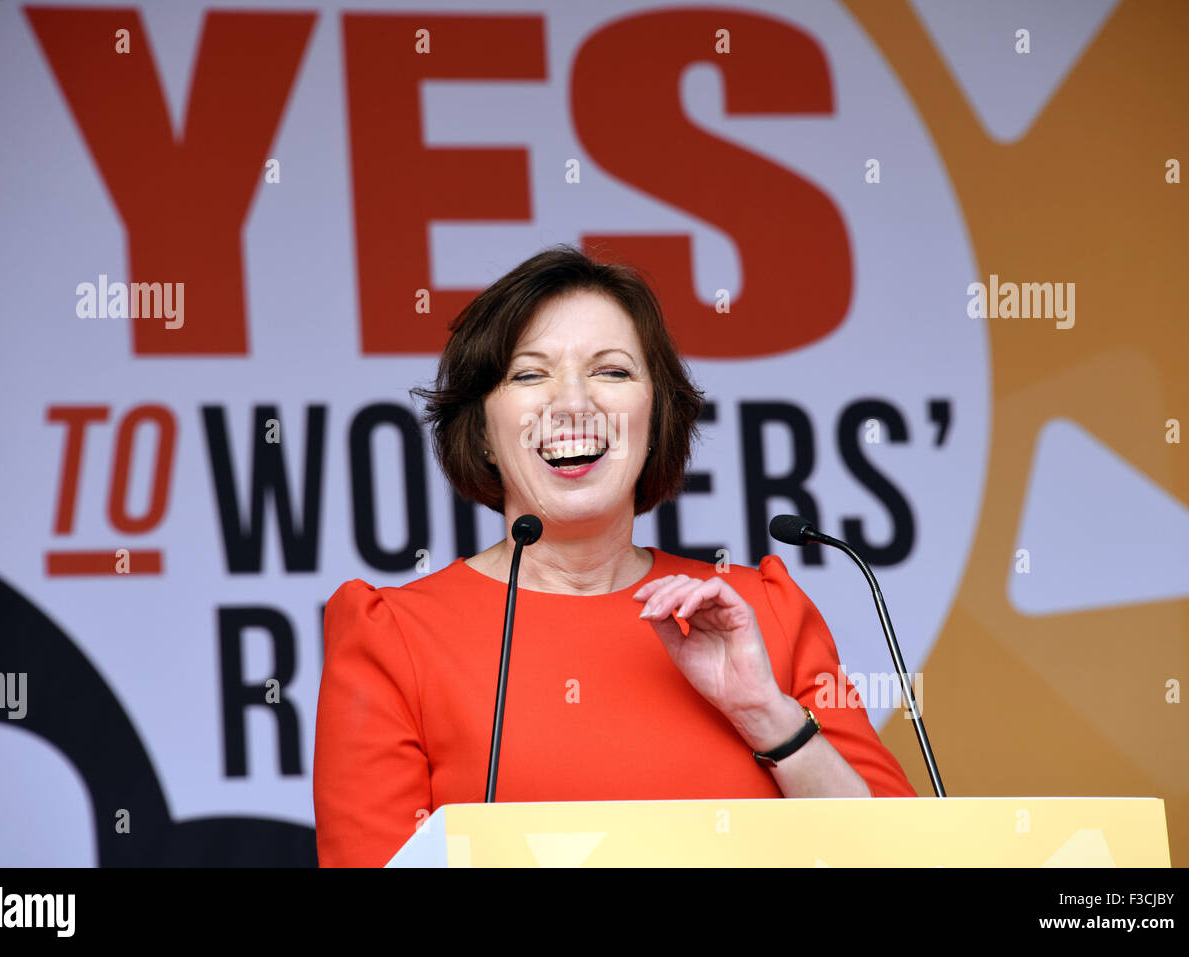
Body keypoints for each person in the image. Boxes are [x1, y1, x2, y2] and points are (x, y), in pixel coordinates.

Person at [313, 245, 916, 867]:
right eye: (528, 374)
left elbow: (903, 863)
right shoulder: (395, 637)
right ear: (482, 433)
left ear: (655, 419)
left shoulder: (762, 611)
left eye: (612, 372)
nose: (573, 404)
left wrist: (768, 717)